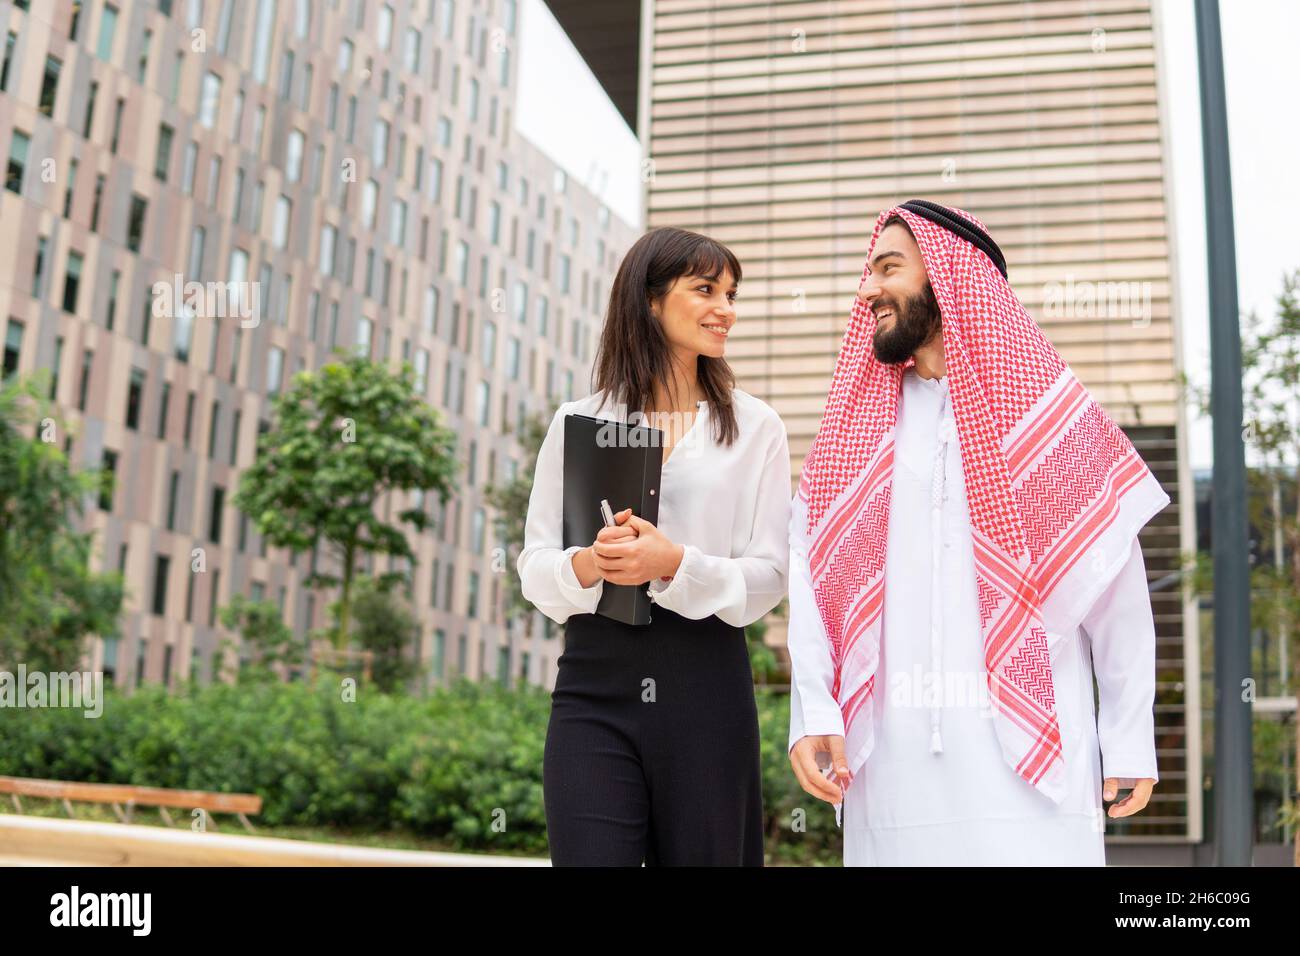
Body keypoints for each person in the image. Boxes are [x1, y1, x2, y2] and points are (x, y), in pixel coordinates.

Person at [786, 200, 1169, 865]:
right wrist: (814, 714)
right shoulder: (856, 433)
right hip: (893, 768)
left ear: (948, 276)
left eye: (888, 269)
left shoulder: (1049, 426)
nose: (868, 289)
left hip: (1032, 772)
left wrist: (1129, 737)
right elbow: (813, 582)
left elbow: (1117, 594)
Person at [518, 226, 791, 866]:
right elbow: (533, 567)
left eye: (731, 293)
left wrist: (675, 566)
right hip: (594, 683)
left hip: (706, 686)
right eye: (705, 290)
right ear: (648, 300)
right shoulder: (579, 423)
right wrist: (589, 563)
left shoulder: (756, 429)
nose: (726, 308)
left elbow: (771, 576)